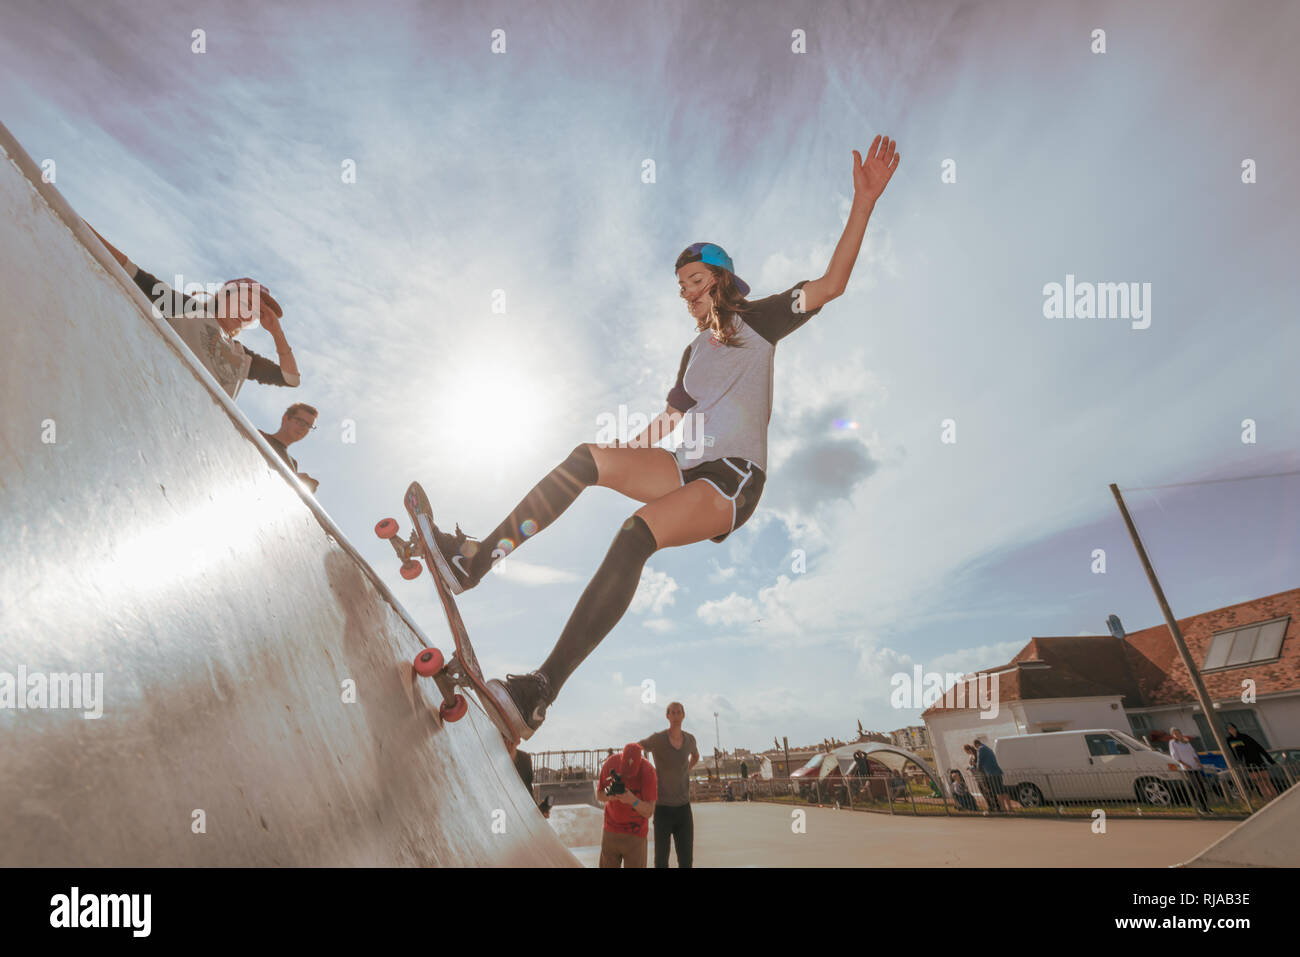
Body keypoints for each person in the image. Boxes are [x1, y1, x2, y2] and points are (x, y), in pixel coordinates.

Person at [419, 135, 902, 740]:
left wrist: (863, 203)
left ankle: (540, 692)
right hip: (684, 464)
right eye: (681, 285)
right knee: (584, 459)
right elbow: (667, 422)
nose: (687, 292)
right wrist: (619, 458)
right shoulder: (693, 351)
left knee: (633, 536)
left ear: (722, 279)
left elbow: (831, 284)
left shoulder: (759, 321)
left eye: (696, 279)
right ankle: (474, 561)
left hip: (733, 481)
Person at [86, 224, 300, 399]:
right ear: (226, 295)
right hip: (158, 396)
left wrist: (276, 333)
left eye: (254, 313)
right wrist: (76, 220)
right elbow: (131, 270)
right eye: (244, 302)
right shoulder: (188, 309)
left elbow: (290, 379)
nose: (246, 313)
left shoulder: (243, 357)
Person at [639, 701, 700, 868]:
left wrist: (687, 769)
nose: (675, 715)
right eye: (672, 712)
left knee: (686, 860)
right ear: (667, 716)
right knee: (661, 860)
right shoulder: (658, 739)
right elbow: (637, 746)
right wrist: (647, 769)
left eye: (678, 712)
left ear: (683, 715)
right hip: (662, 808)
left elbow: (695, 756)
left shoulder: (689, 740)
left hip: (683, 809)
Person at [595, 743, 657, 868]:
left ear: (639, 763)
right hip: (611, 831)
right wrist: (609, 796)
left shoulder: (648, 771)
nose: (628, 777)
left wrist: (632, 800)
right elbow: (599, 795)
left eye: (631, 774)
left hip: (636, 835)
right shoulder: (611, 763)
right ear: (621, 759)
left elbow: (649, 811)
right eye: (625, 773)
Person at [259, 403, 321, 492]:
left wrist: (298, 482)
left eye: (308, 426)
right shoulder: (259, 437)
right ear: (285, 418)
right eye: (300, 421)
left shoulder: (293, 463)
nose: (303, 428)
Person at [1168, 728, 1210, 813]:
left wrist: (1198, 762)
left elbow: (1193, 753)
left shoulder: (1186, 742)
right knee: (1197, 787)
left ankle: (1206, 807)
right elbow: (1175, 756)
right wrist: (1184, 764)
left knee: (1202, 786)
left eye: (1178, 733)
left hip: (1195, 766)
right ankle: (1200, 807)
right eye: (1175, 733)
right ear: (1173, 735)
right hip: (1187, 768)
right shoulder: (1172, 743)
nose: (1177, 735)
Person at [974, 739, 1005, 812]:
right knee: (1001, 791)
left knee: (995, 791)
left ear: (976, 745)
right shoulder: (987, 748)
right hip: (997, 771)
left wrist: (976, 768)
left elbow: (979, 762)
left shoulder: (981, 749)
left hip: (991, 772)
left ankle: (1001, 808)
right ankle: (1006, 808)